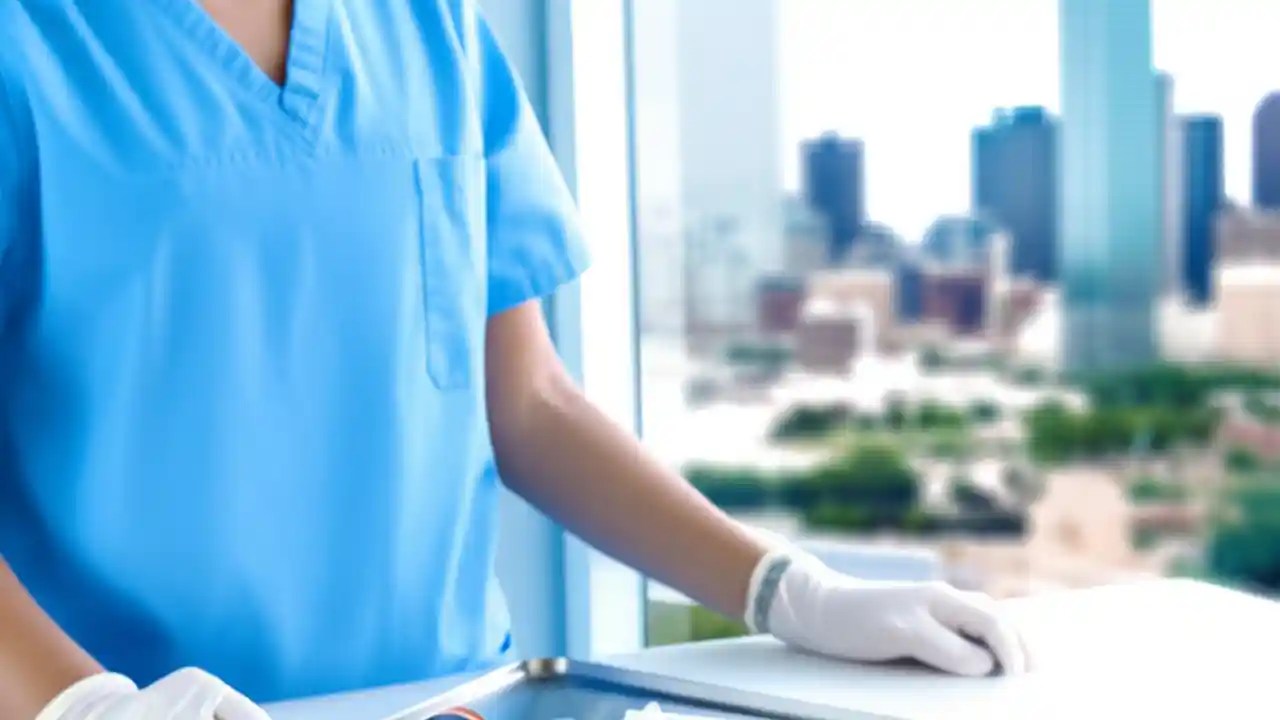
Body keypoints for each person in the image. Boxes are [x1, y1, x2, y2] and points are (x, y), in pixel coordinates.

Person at [0, 1, 1029, 717]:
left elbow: (526, 403)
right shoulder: (28, 40)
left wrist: (780, 589)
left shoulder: (426, 25)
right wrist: (83, 703)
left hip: (449, 701)